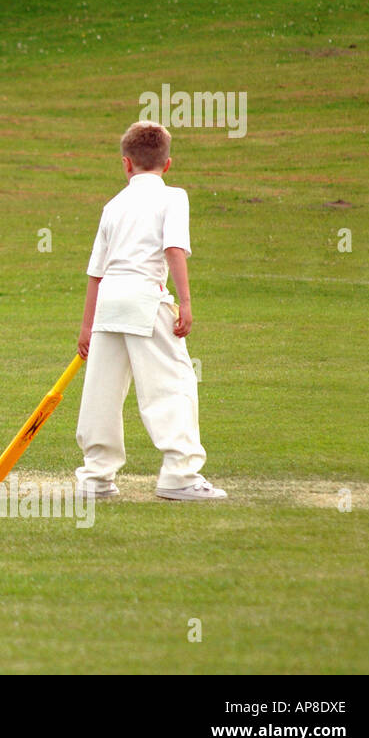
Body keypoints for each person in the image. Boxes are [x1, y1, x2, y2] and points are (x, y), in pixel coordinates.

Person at [73, 120, 225, 500]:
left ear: (126, 164)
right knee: (173, 385)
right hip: (145, 299)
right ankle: (180, 476)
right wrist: (186, 302)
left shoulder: (112, 205)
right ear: (168, 164)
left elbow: (96, 272)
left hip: (110, 302)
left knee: (101, 391)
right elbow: (173, 249)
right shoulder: (173, 197)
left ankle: (95, 477)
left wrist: (87, 326)